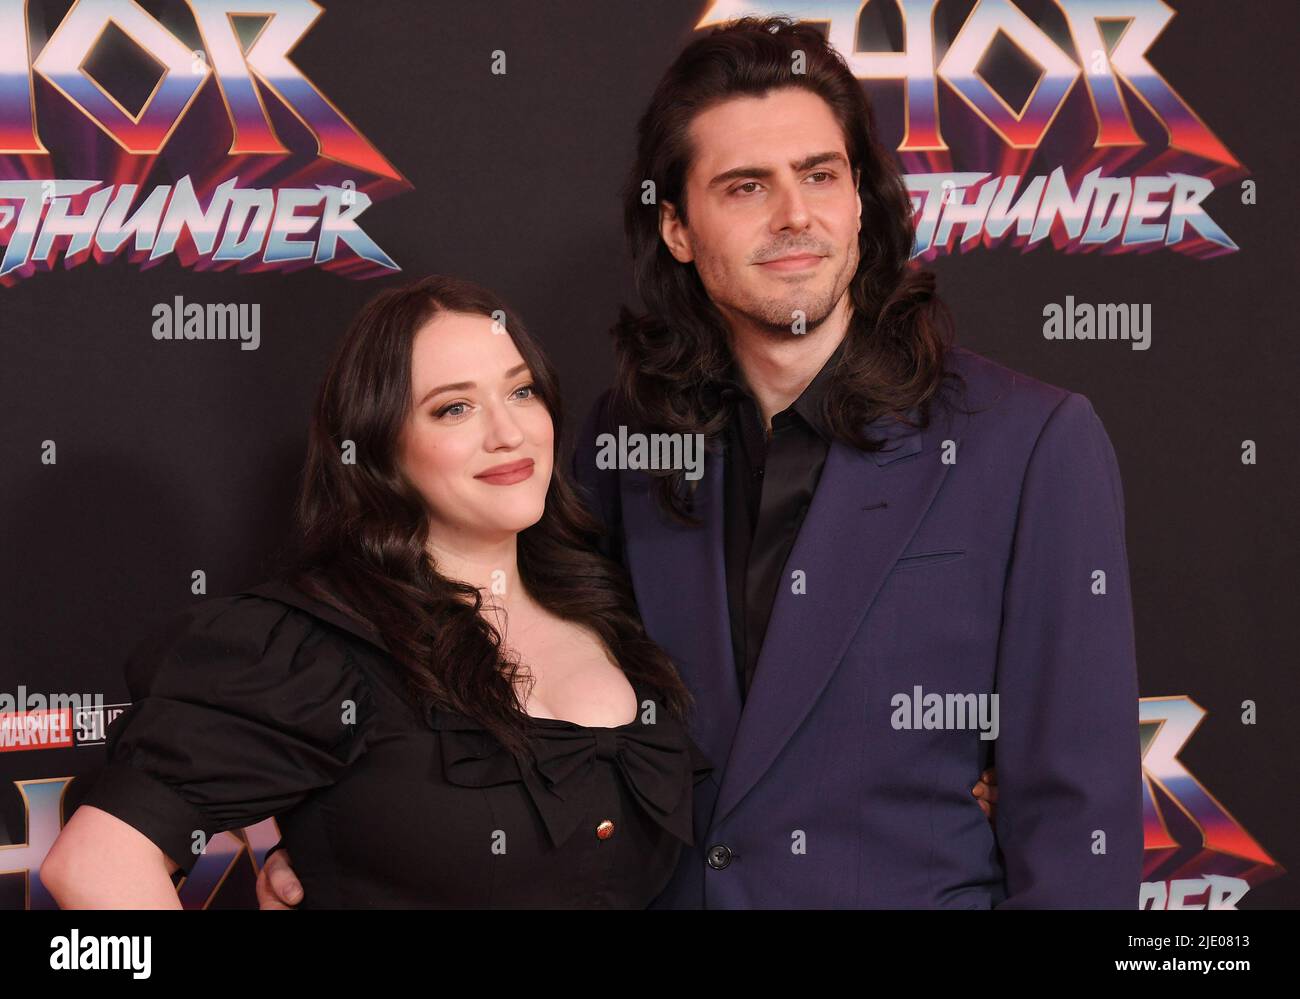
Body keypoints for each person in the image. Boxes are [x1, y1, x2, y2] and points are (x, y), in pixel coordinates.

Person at [259, 15, 1131, 912]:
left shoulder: (1028, 443)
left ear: (861, 200)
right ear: (676, 226)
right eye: (746, 186)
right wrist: (336, 834)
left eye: (821, 176)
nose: (796, 215)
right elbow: (458, 640)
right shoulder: (610, 449)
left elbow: (1077, 827)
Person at [42, 275, 716, 908]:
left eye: (520, 391)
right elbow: (94, 866)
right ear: (381, 447)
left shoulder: (612, 604)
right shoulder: (312, 646)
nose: (508, 432)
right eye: (454, 408)